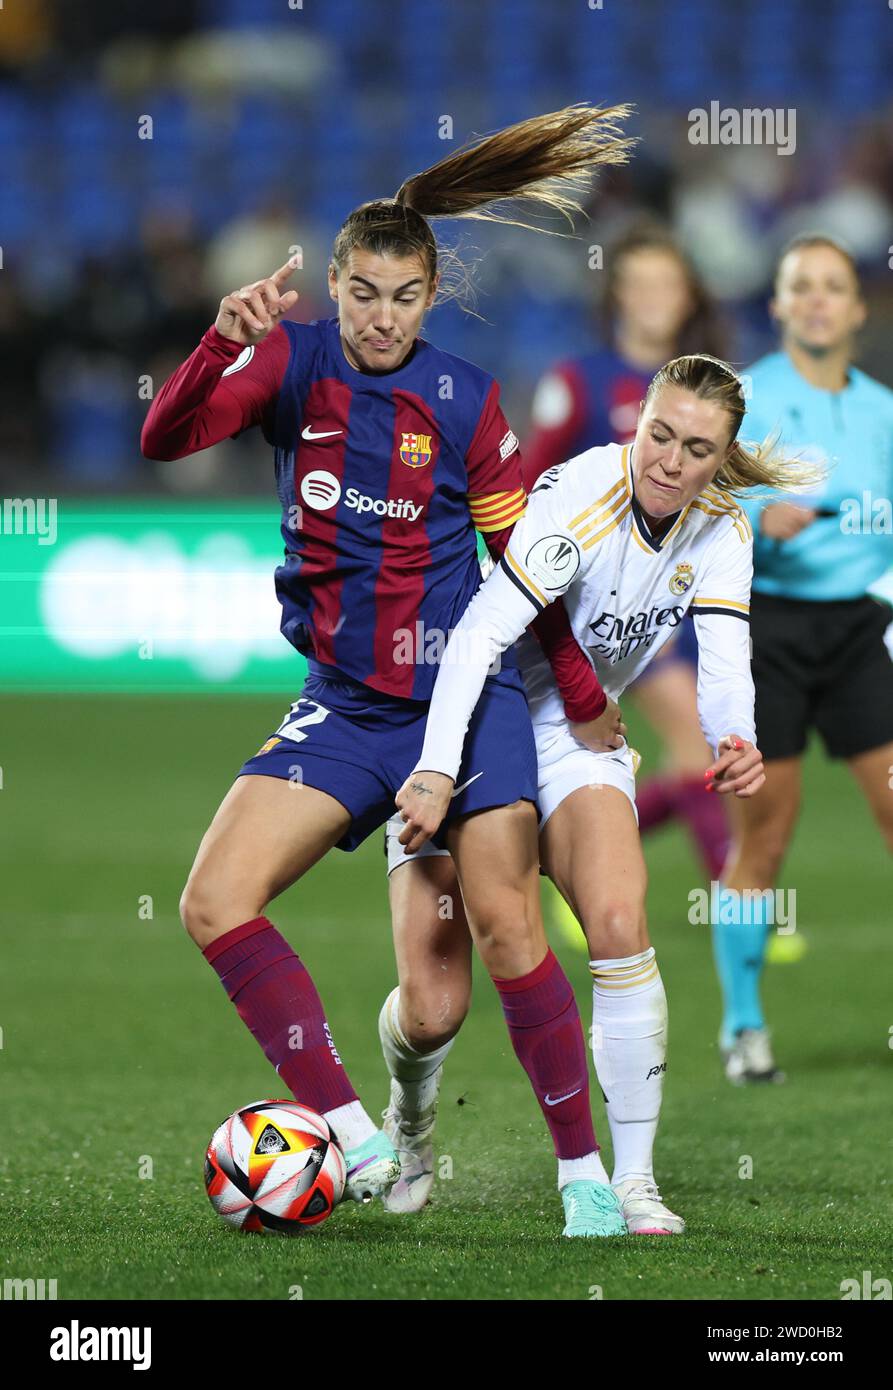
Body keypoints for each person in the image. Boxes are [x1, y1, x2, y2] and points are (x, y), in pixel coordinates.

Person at [141, 103, 636, 1227]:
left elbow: (521, 563)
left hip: (461, 710)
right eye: (359, 293)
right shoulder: (288, 365)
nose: (379, 317)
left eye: (402, 296)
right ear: (330, 284)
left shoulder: (464, 398)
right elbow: (163, 441)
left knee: (502, 926)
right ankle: (356, 1133)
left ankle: (582, 1177)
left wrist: (579, 695)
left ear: (430, 293)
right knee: (216, 902)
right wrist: (219, 340)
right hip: (350, 705)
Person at [388, 353, 809, 1235]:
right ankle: (412, 1117)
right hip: (482, 717)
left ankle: (632, 1182)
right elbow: (474, 640)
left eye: (696, 449)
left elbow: (723, 661)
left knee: (619, 924)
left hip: (584, 738)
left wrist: (737, 735)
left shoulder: (721, 527)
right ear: (639, 420)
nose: (668, 461)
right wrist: (431, 769)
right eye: (657, 434)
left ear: (721, 456)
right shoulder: (582, 494)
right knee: (433, 1009)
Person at [712, 234, 893, 1084]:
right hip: (769, 630)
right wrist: (754, 520)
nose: (818, 300)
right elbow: (697, 505)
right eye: (800, 287)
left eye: (833, 287)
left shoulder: (882, 410)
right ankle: (743, 1027)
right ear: (778, 305)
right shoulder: (745, 397)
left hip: (860, 629)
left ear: (856, 309)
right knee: (766, 836)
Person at [526, 227, 733, 910]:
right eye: (638, 283)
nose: (652, 299)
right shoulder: (576, 381)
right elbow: (524, 491)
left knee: (701, 754)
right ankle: (736, 903)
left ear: (686, 297)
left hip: (690, 599)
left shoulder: (708, 389)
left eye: (665, 284)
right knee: (692, 747)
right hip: (612, 608)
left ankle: (572, 858)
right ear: (615, 292)